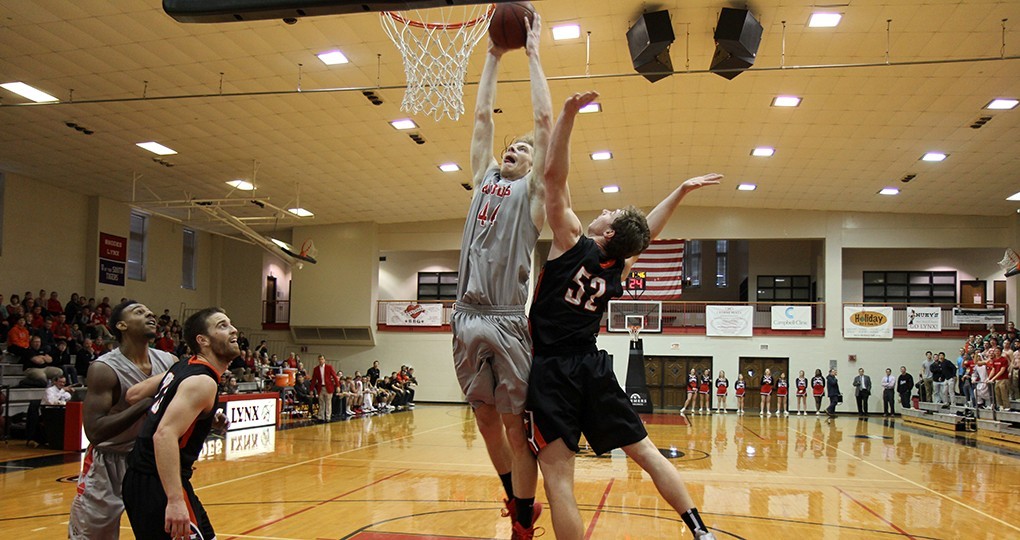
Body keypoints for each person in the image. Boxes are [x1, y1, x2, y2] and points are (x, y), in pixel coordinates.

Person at [525, 90, 720, 540]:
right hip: (592, 367)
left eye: (610, 212)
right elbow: (645, 235)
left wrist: (569, 116)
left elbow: (554, 176)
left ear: (606, 232)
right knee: (648, 453)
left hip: (552, 370)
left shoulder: (571, 239)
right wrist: (682, 191)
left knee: (558, 484)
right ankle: (700, 530)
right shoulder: (619, 266)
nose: (606, 208)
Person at [450, 15, 552, 539]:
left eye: (524, 149)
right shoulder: (483, 182)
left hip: (509, 319)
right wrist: (492, 55)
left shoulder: (532, 195)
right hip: (466, 316)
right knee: (485, 421)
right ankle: (517, 501)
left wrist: (533, 54)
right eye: (511, 147)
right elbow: (482, 117)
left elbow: (543, 121)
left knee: (514, 424)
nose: (514, 149)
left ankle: (522, 523)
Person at [122, 307, 238, 540]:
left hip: (144, 479)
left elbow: (134, 394)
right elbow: (163, 435)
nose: (233, 330)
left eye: (230, 323)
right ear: (202, 340)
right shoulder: (203, 382)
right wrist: (174, 501)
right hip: (159, 484)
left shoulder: (183, 366)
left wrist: (195, 414)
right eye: (222, 326)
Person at [68, 300, 177, 539]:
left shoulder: (169, 362)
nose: (150, 314)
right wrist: (143, 405)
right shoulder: (105, 368)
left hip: (148, 460)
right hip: (108, 462)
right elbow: (95, 431)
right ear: (121, 325)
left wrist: (209, 419)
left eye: (150, 311)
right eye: (139, 312)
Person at [310, 354, 340, 422]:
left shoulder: (329, 367)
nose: (321, 361)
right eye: (320, 359)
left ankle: (328, 417)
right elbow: (314, 380)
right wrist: (311, 389)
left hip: (328, 387)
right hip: (320, 387)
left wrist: (338, 386)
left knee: (328, 403)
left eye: (322, 359)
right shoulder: (316, 369)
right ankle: (321, 417)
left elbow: (335, 376)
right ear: (318, 360)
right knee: (321, 403)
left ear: (324, 360)